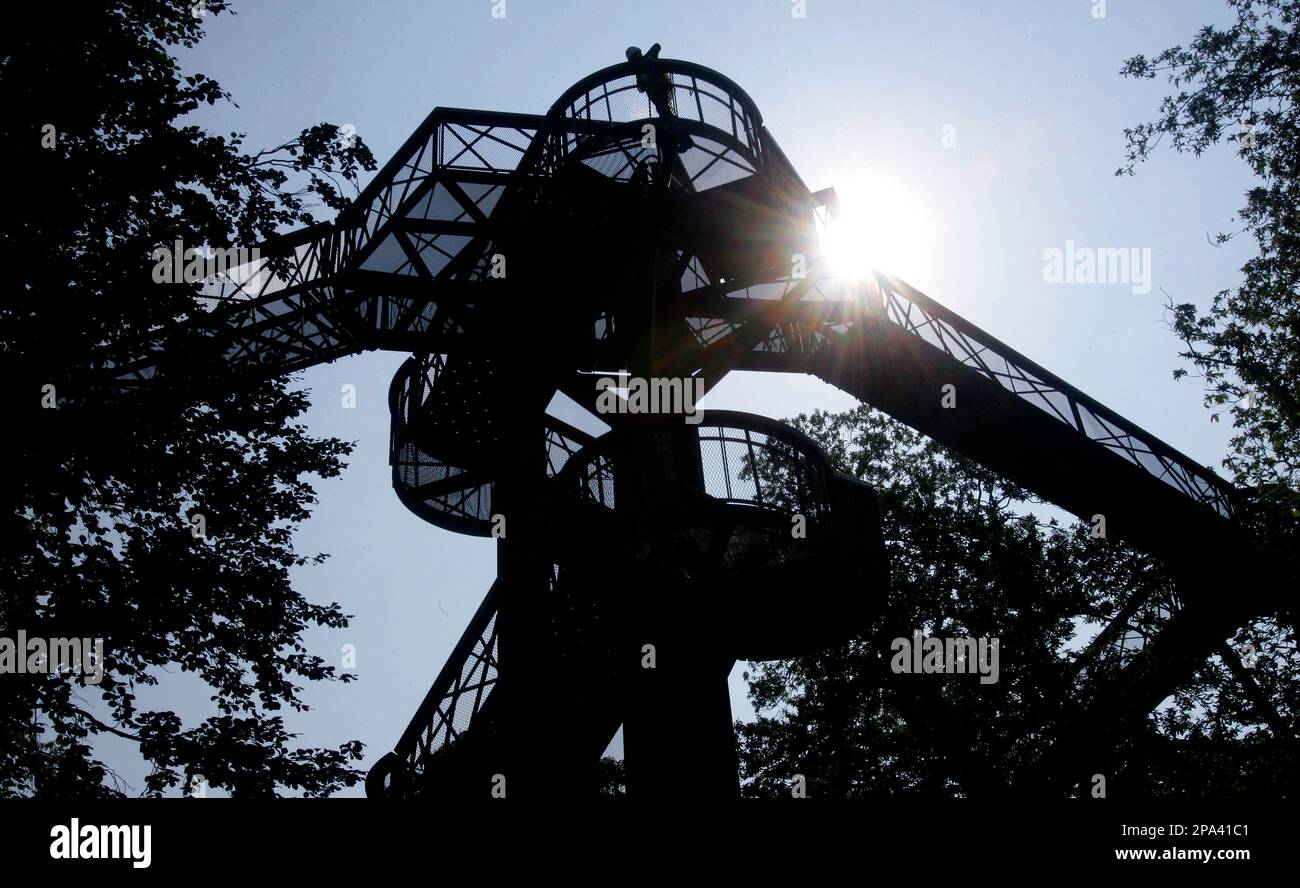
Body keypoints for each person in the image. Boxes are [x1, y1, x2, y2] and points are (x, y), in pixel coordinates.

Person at [625, 44, 694, 152]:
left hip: (661, 89)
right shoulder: (639, 70)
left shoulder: (649, 59)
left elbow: (657, 46)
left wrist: (644, 60)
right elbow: (641, 88)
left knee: (665, 113)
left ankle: (685, 140)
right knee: (665, 114)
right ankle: (683, 139)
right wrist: (639, 76)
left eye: (635, 57)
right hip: (656, 93)